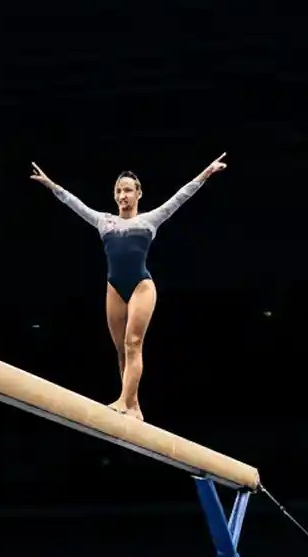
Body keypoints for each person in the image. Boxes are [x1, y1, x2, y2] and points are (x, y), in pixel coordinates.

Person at [30, 153, 229, 422]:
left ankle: (124, 401)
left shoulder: (149, 220)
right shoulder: (104, 221)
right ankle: (133, 405)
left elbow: (180, 197)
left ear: (138, 194)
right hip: (114, 287)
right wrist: (51, 185)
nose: (123, 195)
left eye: (128, 190)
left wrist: (206, 173)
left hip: (141, 286)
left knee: (133, 343)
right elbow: (74, 204)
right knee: (122, 351)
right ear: (115, 195)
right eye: (118, 190)